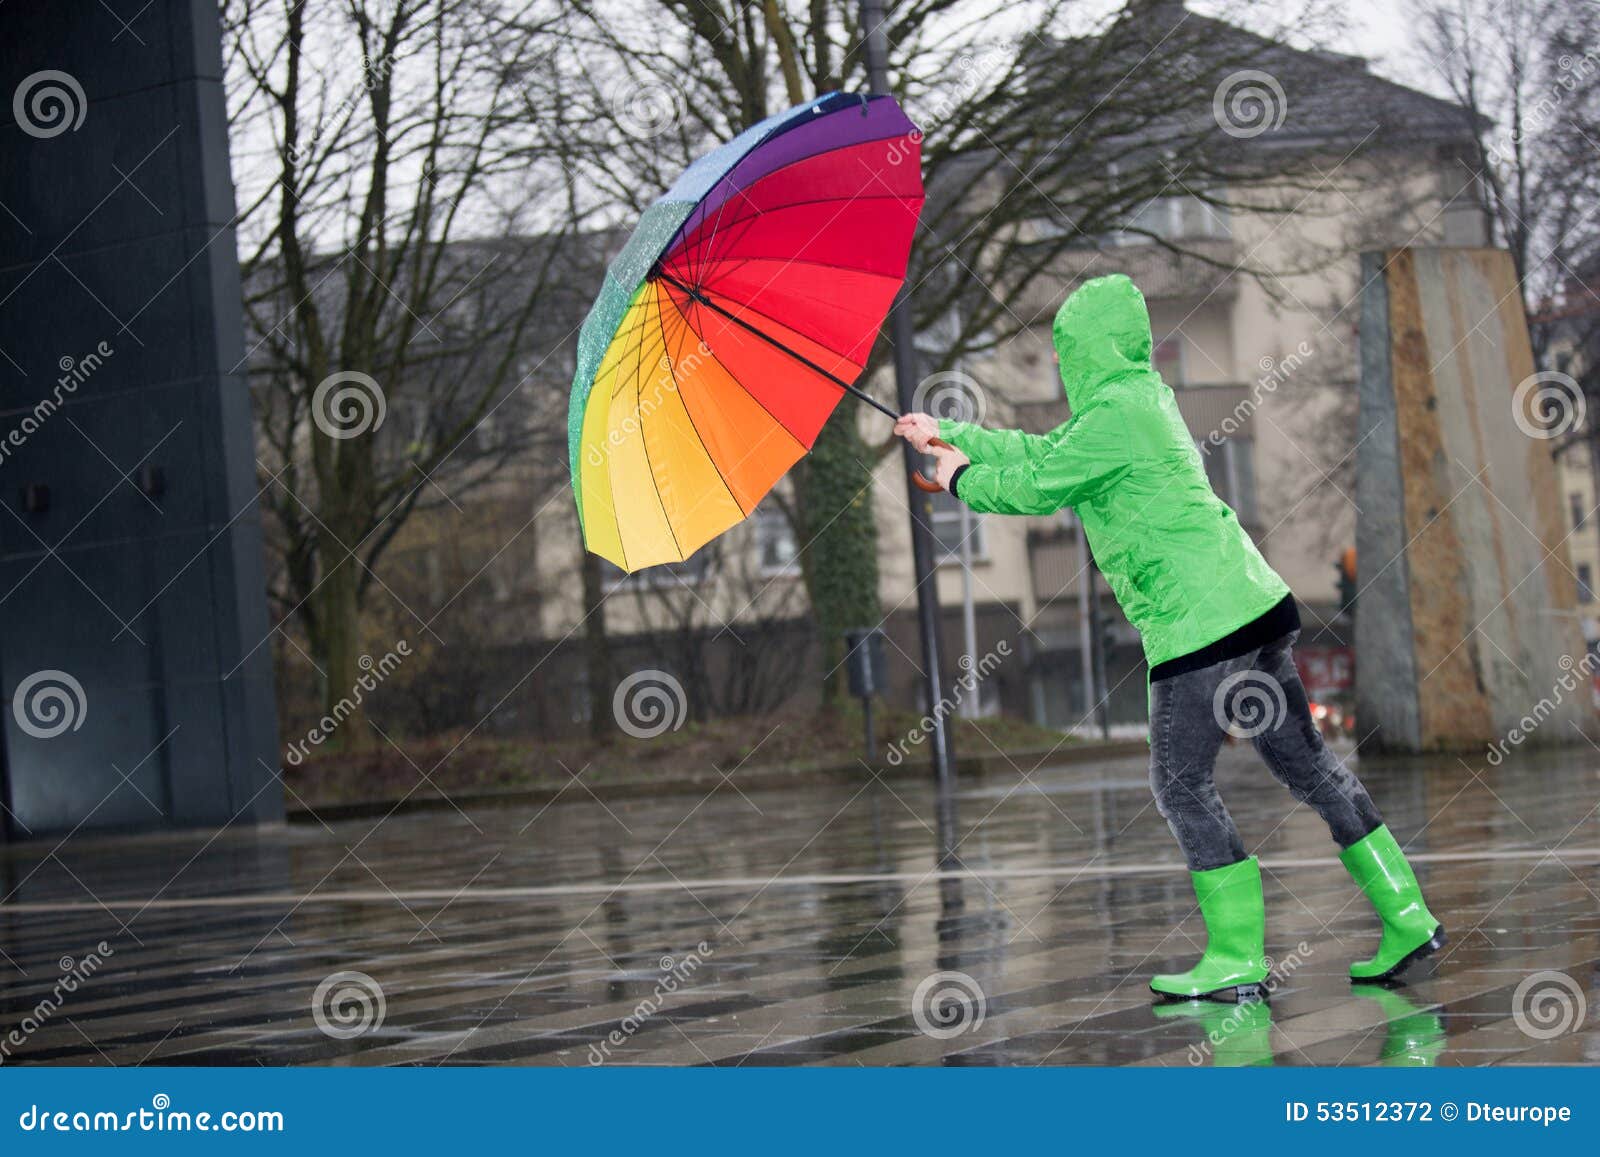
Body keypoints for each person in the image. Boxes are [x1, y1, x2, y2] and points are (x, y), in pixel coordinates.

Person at [895, 274, 1444, 1002]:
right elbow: (1038, 453)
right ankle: (1408, 915)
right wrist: (951, 436)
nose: (1060, 364)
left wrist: (961, 479)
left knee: (1180, 781)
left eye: (1065, 350)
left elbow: (1036, 485)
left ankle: (1238, 956)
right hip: (1249, 607)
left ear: (1087, 350)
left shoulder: (1116, 416)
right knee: (1307, 767)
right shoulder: (1137, 401)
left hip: (1200, 626)